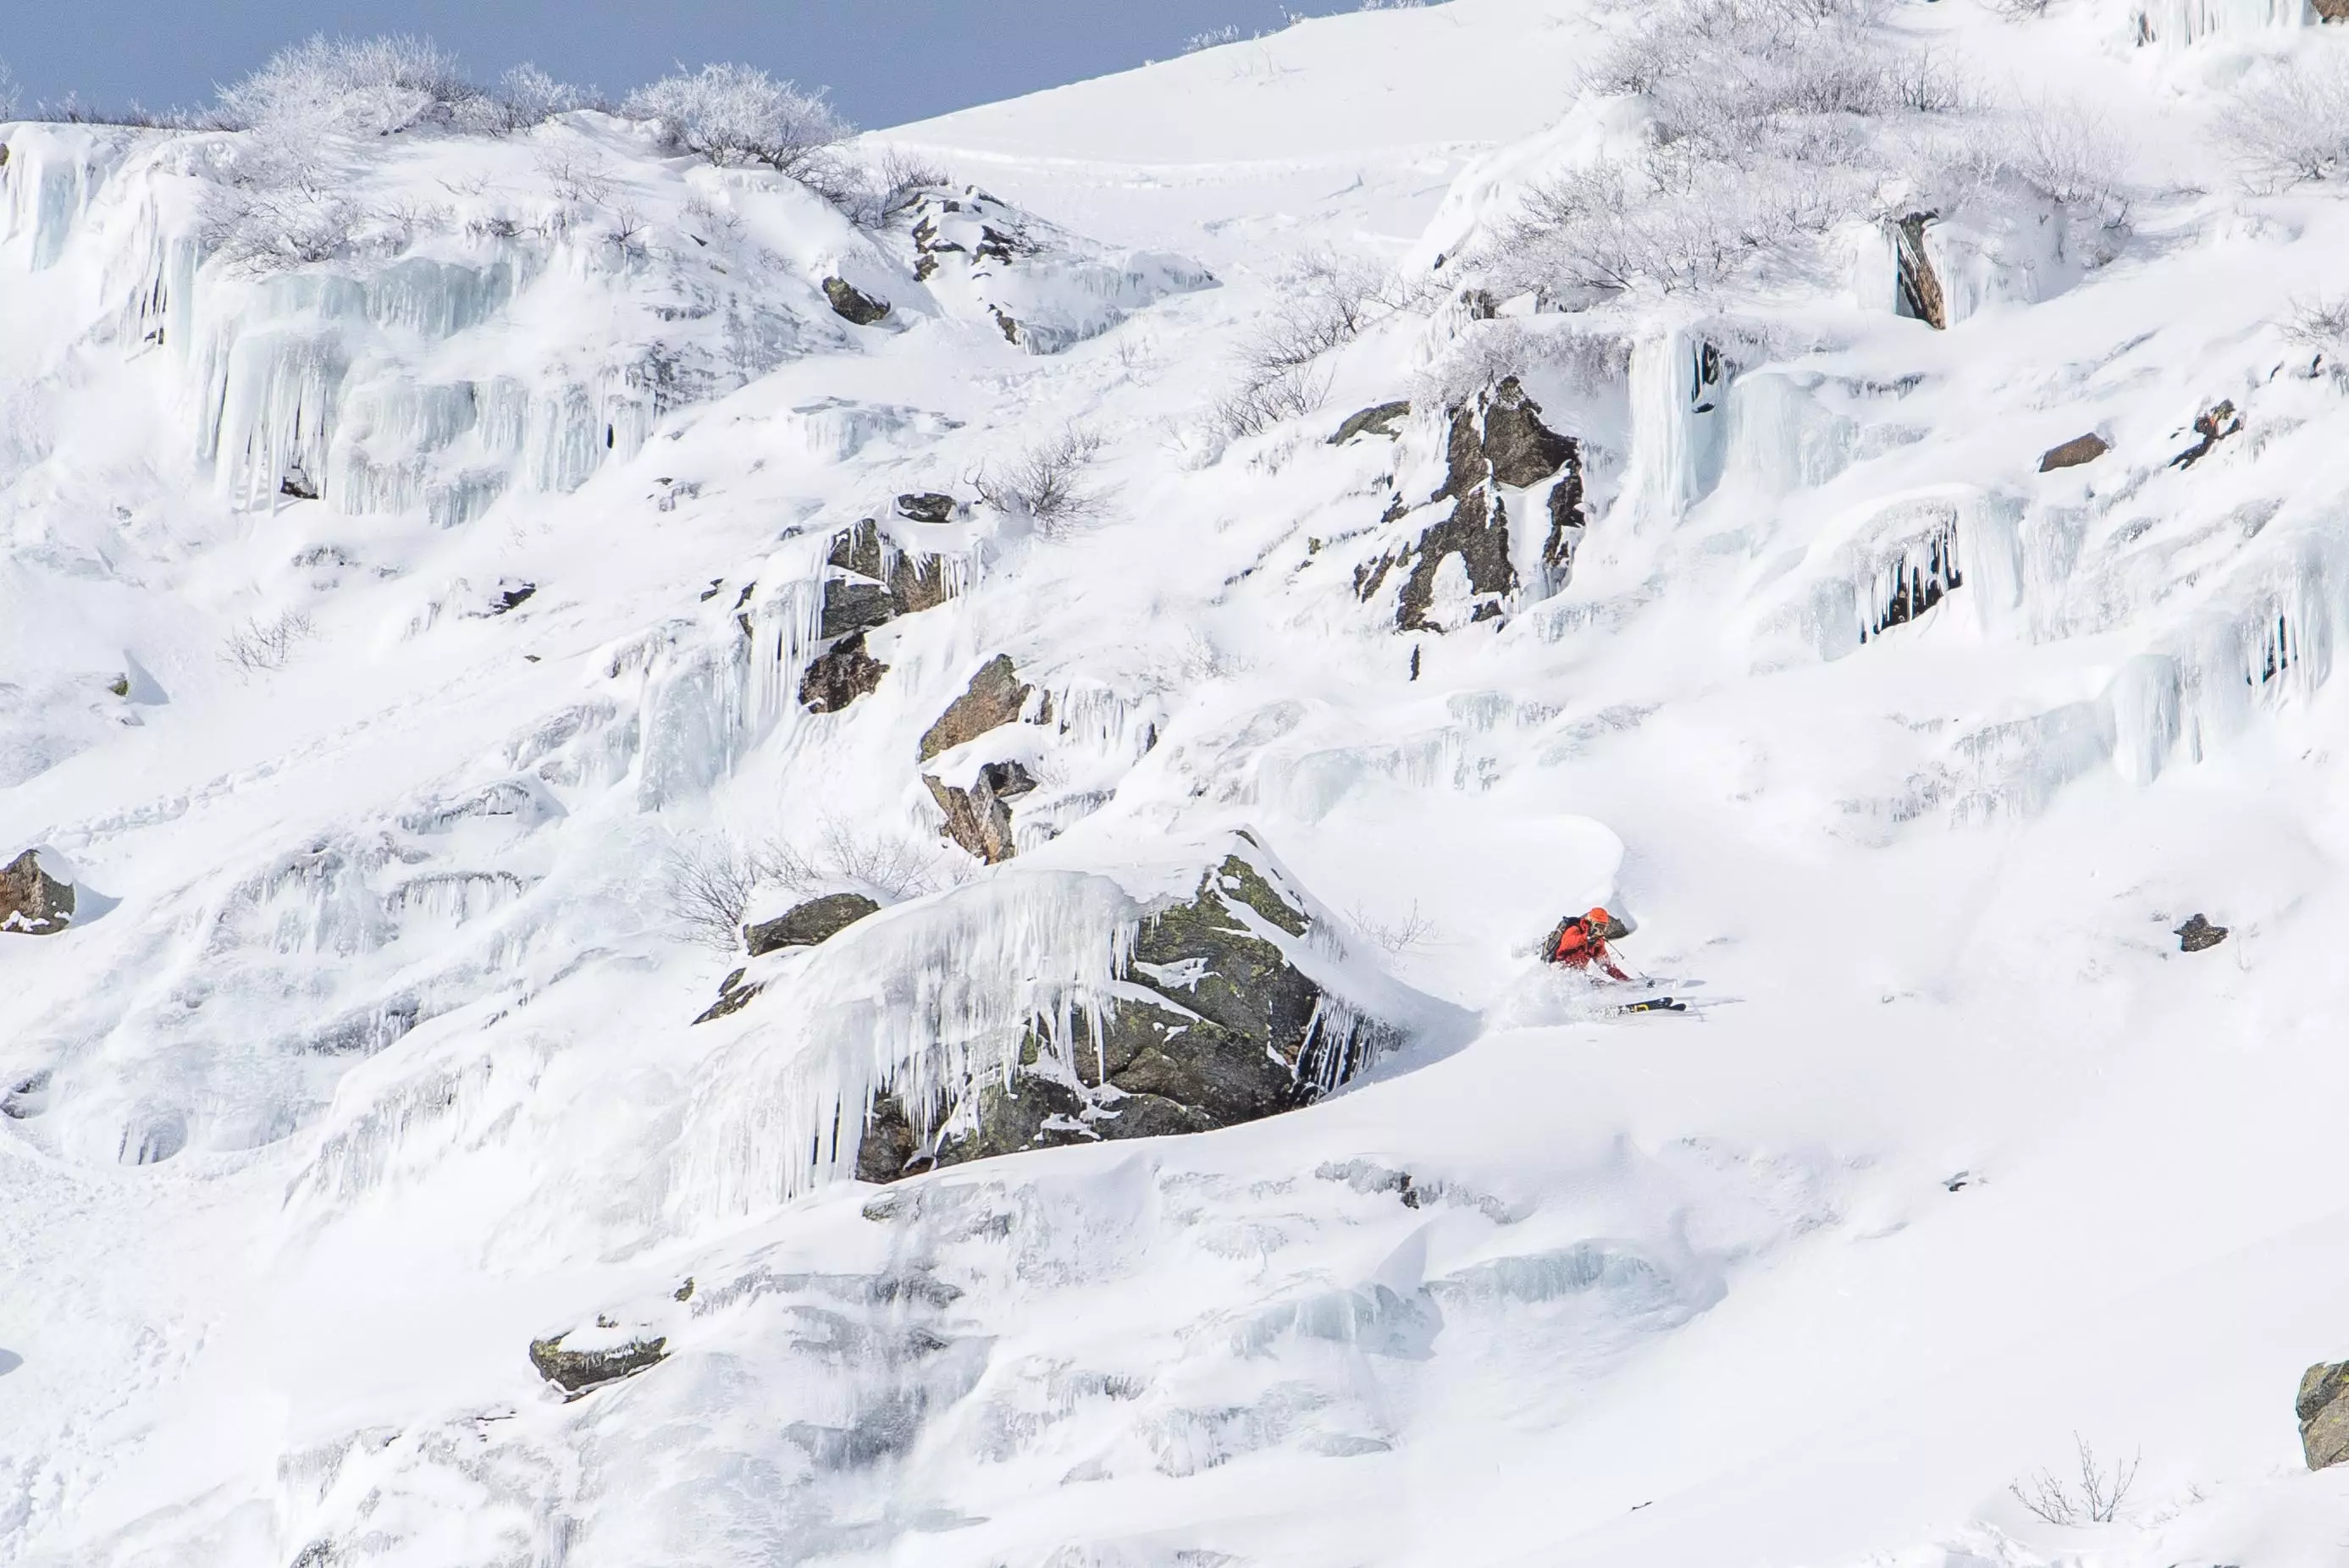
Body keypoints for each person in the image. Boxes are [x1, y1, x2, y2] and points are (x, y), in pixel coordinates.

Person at [1543, 907, 1631, 980]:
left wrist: (1626, 980)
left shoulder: (1598, 942)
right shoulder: (1575, 929)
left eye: (1603, 927)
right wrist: (1587, 938)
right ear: (1590, 922)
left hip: (1577, 975)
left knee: (1601, 985)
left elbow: (1605, 966)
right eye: (1597, 926)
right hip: (1559, 973)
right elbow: (1567, 944)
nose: (1599, 930)